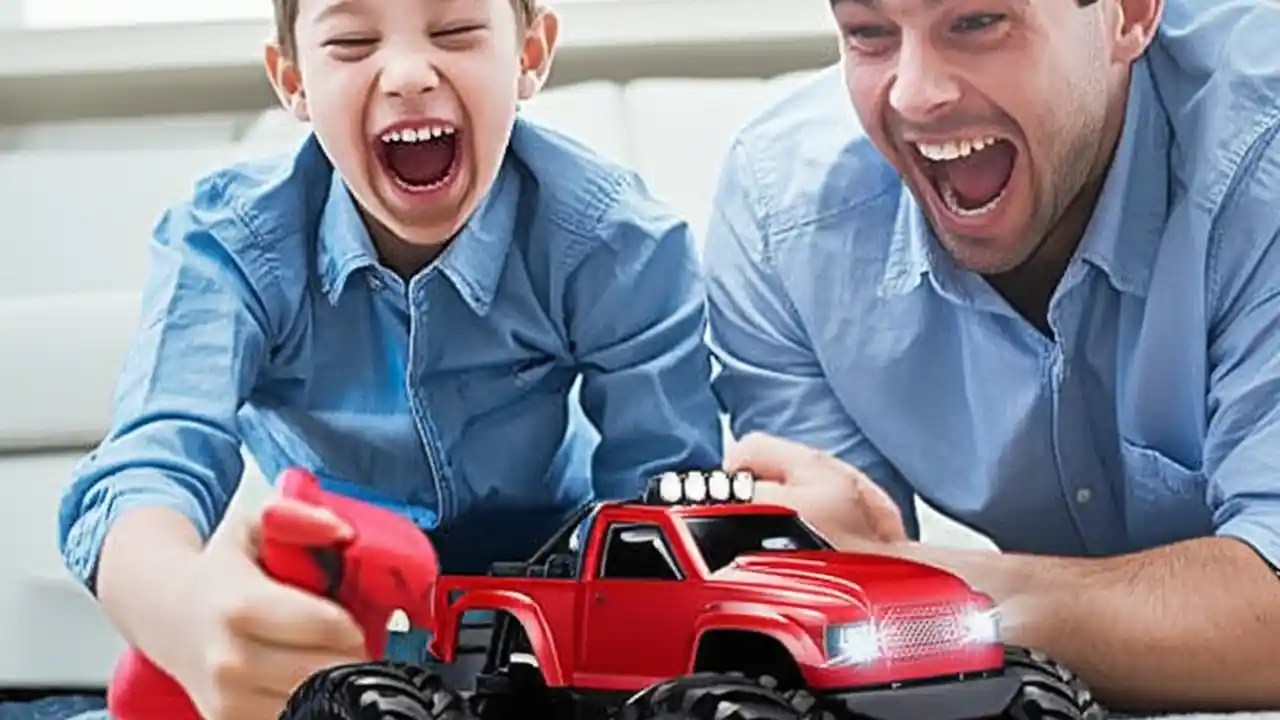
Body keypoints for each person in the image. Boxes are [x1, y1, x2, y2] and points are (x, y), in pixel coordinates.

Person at [55, 0, 722, 718]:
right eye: (351, 41)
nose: (406, 73)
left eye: (456, 30)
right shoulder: (229, 245)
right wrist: (183, 613)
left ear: (530, 54)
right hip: (340, 596)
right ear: (292, 81)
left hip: (544, 598)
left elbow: (667, 496)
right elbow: (149, 464)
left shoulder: (616, 239)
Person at [704, 0, 1280, 713]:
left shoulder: (1262, 155)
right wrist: (887, 587)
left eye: (977, 22)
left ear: (1129, 15)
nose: (915, 94)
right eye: (869, 33)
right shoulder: (782, 218)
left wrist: (912, 586)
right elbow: (835, 628)